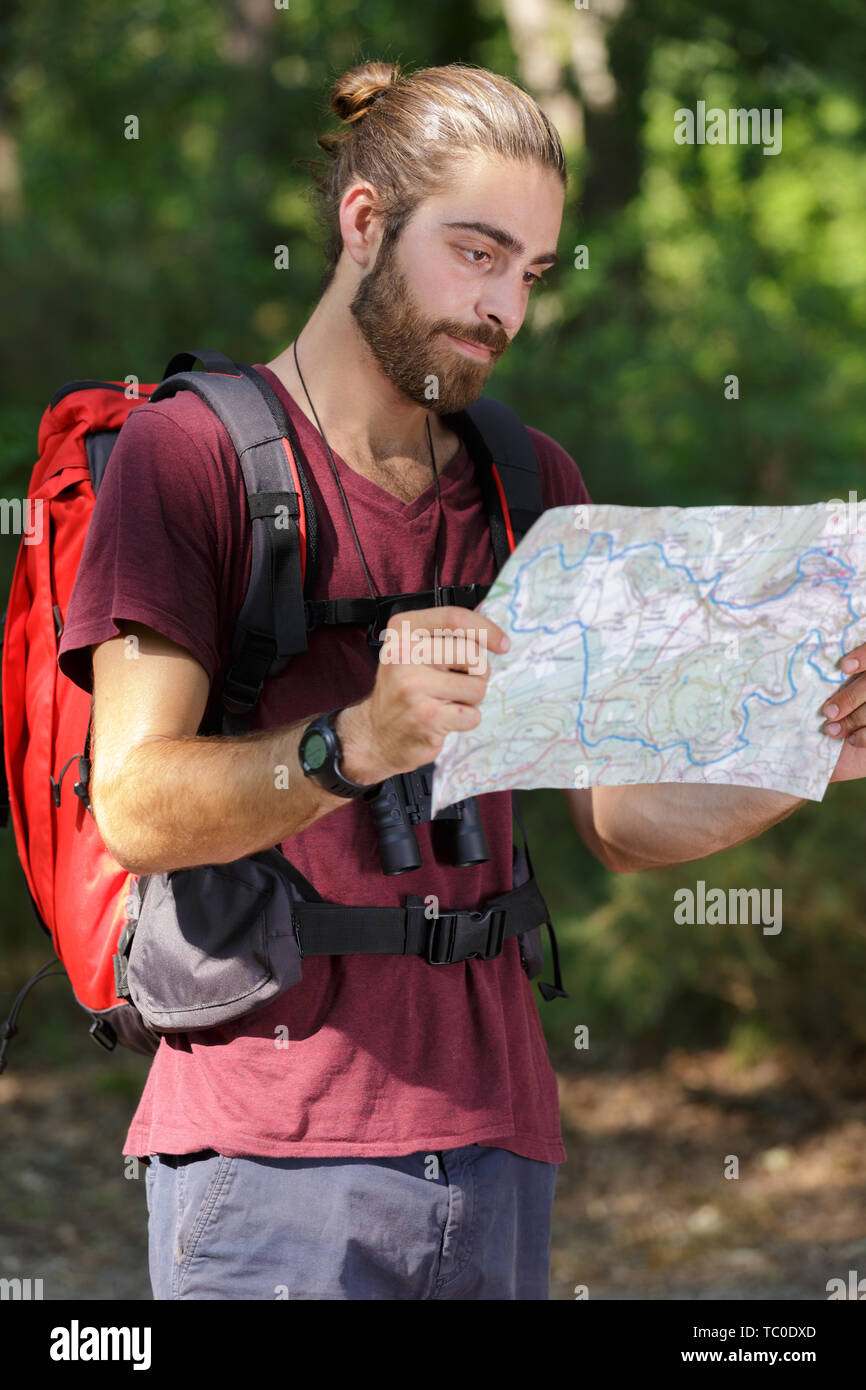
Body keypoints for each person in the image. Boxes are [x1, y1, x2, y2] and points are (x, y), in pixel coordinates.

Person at [57, 59, 866, 1301]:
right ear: (364, 219)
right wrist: (349, 745)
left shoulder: (529, 483)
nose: (503, 308)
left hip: (497, 1149)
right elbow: (134, 804)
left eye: (529, 274)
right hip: (269, 1155)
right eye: (475, 253)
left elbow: (624, 818)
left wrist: (816, 744)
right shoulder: (191, 456)